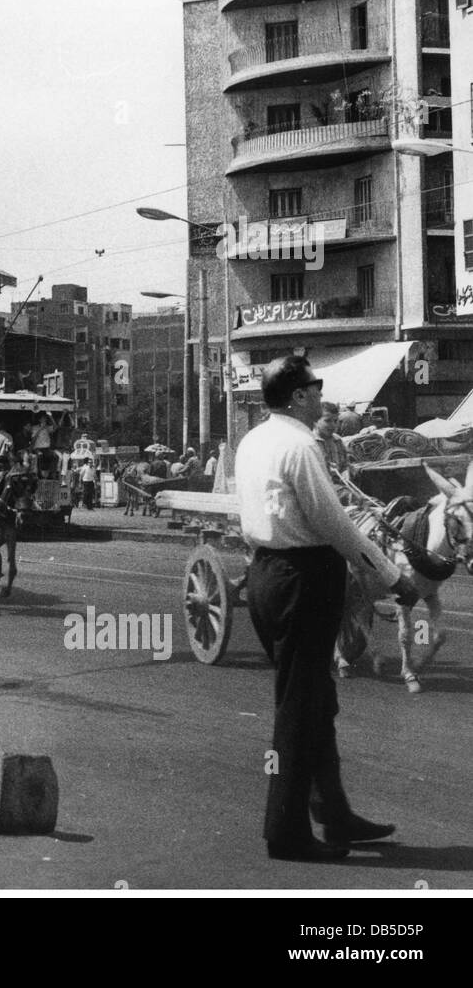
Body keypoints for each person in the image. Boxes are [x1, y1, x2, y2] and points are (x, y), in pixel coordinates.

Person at [235, 355, 420, 862]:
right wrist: (391, 577)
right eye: (315, 390)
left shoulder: (251, 441)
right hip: (304, 579)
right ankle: (286, 832)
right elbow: (335, 524)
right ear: (297, 396)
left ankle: (334, 813)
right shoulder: (300, 445)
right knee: (298, 708)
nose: (321, 398)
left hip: (266, 573)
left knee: (316, 700)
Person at [314, 400, 351, 500]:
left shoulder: (337, 440)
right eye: (327, 421)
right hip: (320, 492)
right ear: (315, 420)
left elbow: (345, 464)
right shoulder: (309, 443)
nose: (333, 425)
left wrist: (345, 471)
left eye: (335, 421)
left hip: (340, 488)